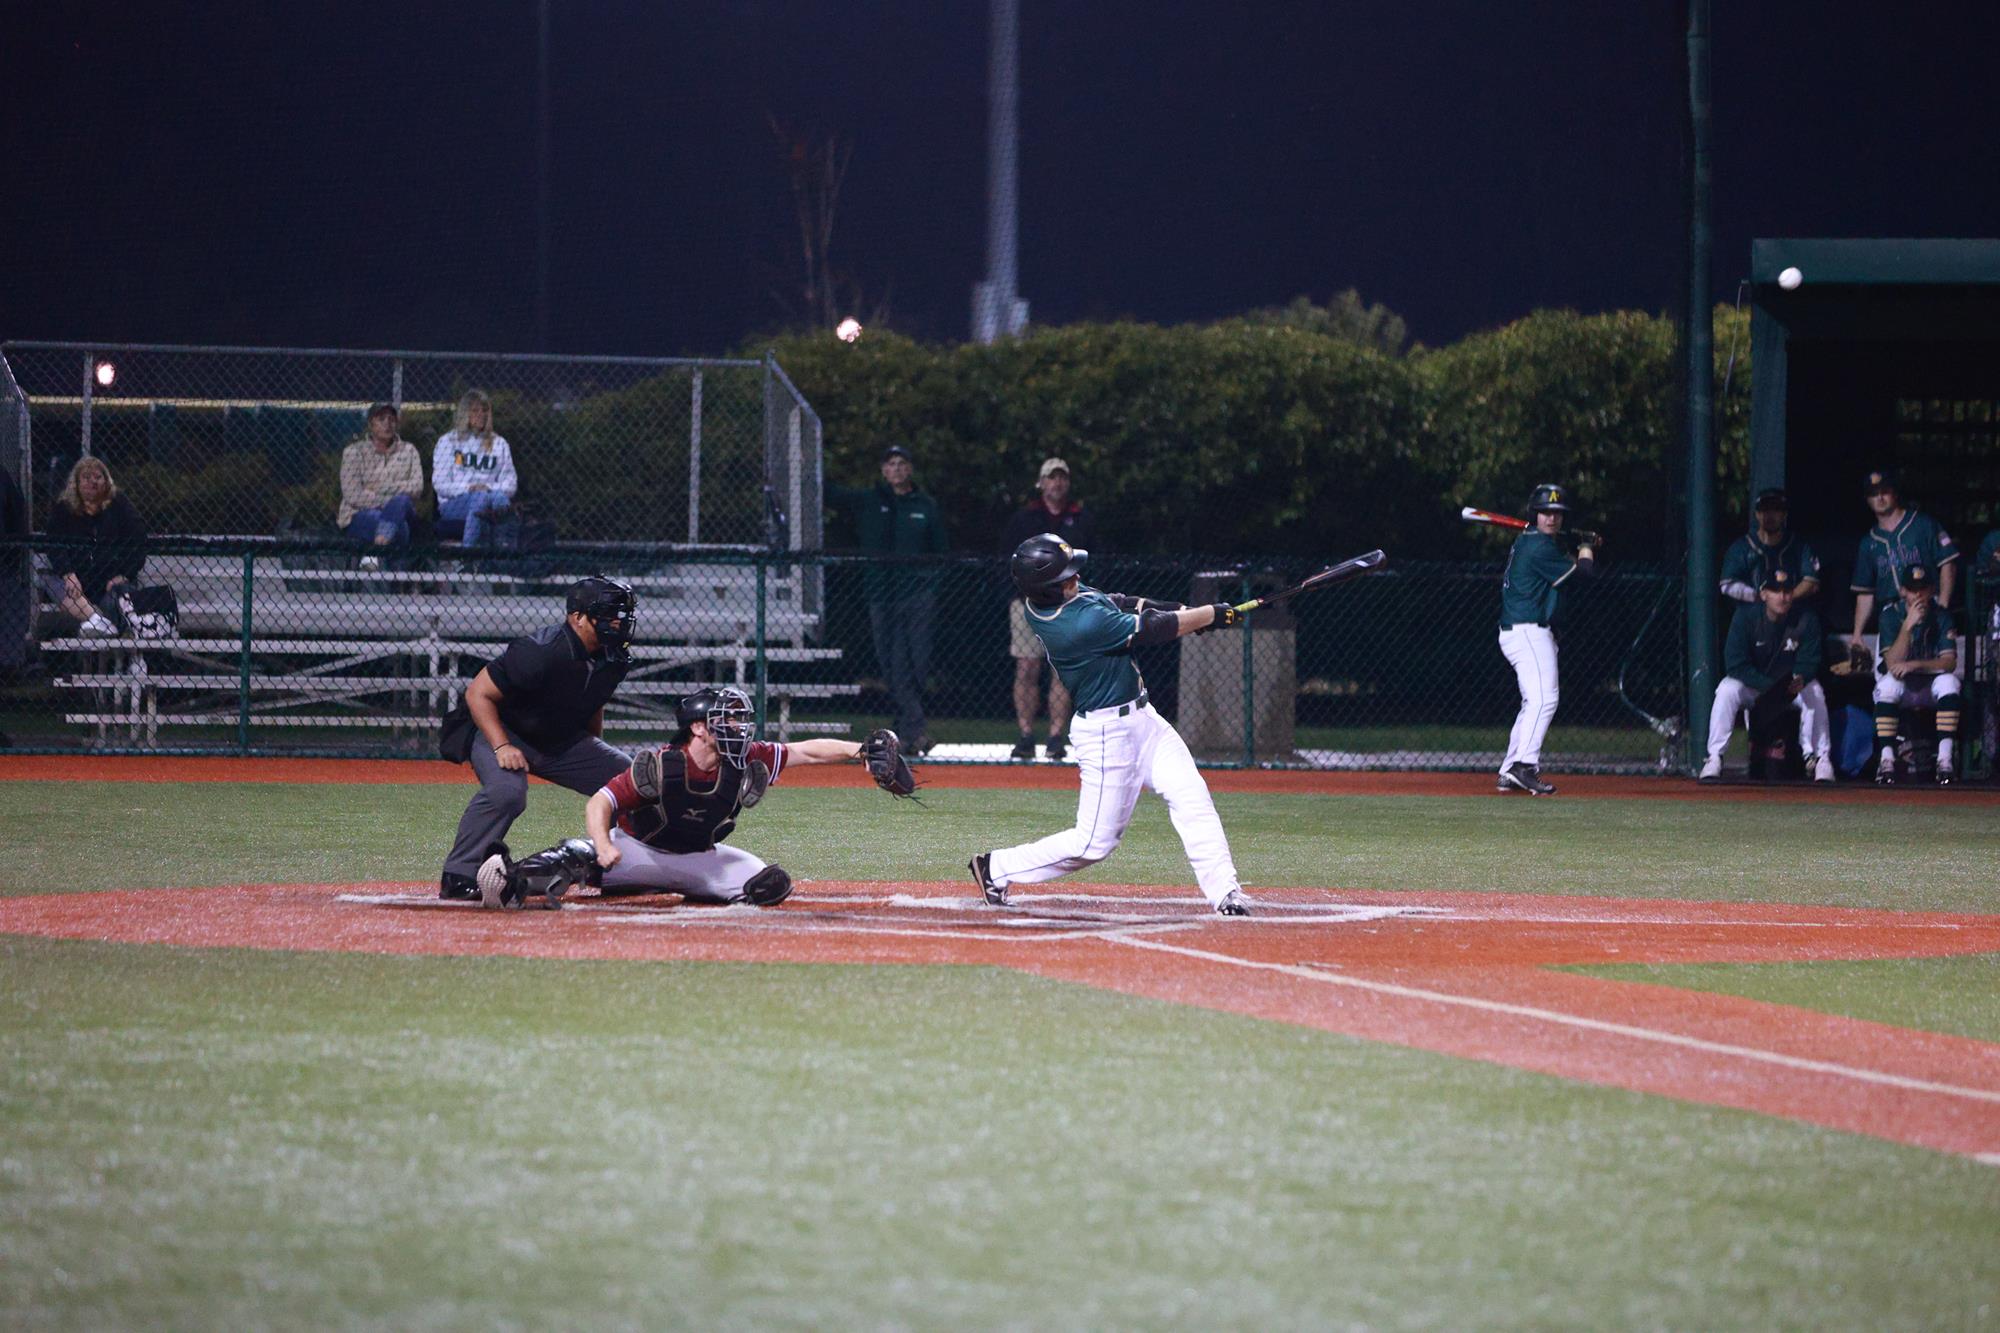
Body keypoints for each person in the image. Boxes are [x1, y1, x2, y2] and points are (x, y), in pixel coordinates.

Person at [969, 533, 1252, 916]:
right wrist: (1210, 615)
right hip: (1107, 734)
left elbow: (1122, 602)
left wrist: (1189, 612)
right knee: (1093, 844)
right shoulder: (1076, 624)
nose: (1075, 578)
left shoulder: (1059, 598)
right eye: (1065, 576)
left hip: (1145, 720)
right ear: (1045, 588)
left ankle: (1225, 892)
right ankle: (995, 868)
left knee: (1191, 796)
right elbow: (1151, 629)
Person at [484, 686, 889, 909]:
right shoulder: (664, 764)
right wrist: (604, 845)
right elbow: (600, 802)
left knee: (770, 885)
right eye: (726, 719)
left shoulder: (745, 757)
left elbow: (805, 751)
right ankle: (508, 880)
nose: (737, 727)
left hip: (699, 857)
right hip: (638, 852)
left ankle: (665, 886)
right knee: (574, 855)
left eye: (738, 719)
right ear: (698, 727)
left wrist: (860, 751)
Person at [436, 576, 638, 899]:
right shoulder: (539, 651)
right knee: (507, 791)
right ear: (578, 618)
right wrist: (502, 746)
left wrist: (593, 750)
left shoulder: (614, 657)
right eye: (608, 614)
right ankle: (458, 875)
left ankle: (624, 867)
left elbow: (593, 701)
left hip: (558, 739)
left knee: (630, 781)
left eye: (621, 615)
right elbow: (477, 694)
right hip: (505, 730)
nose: (618, 622)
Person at [827, 445, 948, 752]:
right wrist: (804, 466)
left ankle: (909, 730)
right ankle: (912, 731)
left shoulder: (925, 505)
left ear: (910, 469)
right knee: (891, 665)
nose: (896, 468)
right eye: (891, 463)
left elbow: (941, 551)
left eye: (901, 463)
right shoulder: (870, 501)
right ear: (883, 470)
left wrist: (929, 584)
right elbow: (831, 494)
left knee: (918, 663)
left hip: (917, 596)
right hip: (881, 595)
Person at [1496, 483, 1598, 796]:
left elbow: (1562, 562)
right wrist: (1586, 546)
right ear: (1534, 514)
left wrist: (1575, 545)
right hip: (1528, 630)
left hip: (1522, 630)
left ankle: (1510, 769)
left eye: (1556, 513)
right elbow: (1583, 574)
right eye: (1544, 512)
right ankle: (1524, 766)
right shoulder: (1538, 547)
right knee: (1544, 699)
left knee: (1533, 701)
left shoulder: (1532, 541)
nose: (1551, 518)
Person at [999, 457, 1101, 761]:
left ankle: (1056, 736)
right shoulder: (1024, 519)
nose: (1057, 483)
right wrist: (1016, 596)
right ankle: (1026, 735)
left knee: (1061, 669)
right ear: (1041, 483)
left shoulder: (1081, 519)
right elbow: (1007, 560)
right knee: (1027, 667)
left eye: (1062, 477)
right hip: (1028, 604)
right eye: (1051, 477)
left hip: (1068, 604)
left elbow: (1094, 561)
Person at [1699, 569, 1832, 782]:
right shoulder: (1745, 617)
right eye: (1775, 591)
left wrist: (1802, 676)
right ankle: (1714, 757)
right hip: (1755, 685)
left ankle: (1820, 758)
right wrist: (1769, 685)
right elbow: (1735, 664)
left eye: (1787, 591)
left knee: (1814, 690)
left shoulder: (1806, 619)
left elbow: (1810, 660)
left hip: (1789, 687)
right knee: (1726, 689)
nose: (1782, 597)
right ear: (1763, 594)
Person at [1868, 564, 1960, 786]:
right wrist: (1907, 626)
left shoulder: (1941, 615)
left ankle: (1945, 760)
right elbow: (1892, 663)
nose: (1918, 595)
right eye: (1912, 589)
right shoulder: (1891, 615)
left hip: (1929, 685)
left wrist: (1915, 664)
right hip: (1903, 687)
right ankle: (1887, 760)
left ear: (1931, 590)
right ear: (1903, 591)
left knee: (1950, 683)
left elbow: (1949, 662)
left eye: (1922, 589)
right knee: (1886, 686)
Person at [1848, 468, 1958, 653]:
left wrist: (1942, 605)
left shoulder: (1923, 524)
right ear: (1867, 500)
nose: (1880, 498)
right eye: (1873, 494)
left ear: (1895, 493)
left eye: (1885, 491)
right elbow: (1865, 593)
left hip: (1926, 607)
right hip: (1891, 617)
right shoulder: (1868, 542)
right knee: (1890, 670)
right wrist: (1857, 633)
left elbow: (1948, 563)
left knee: (1934, 667)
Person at [41, 456, 145, 637]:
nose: (93, 482)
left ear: (106, 480)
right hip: (77, 580)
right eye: (86, 477)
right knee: (51, 580)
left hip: (109, 580)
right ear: (77, 483)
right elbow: (54, 545)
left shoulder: (119, 503)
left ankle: (109, 631)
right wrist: (68, 573)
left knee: (123, 595)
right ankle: (96, 620)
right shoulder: (64, 508)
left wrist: (124, 574)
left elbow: (139, 540)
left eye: (98, 477)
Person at [431, 390, 518, 550]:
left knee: (500, 499)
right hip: (454, 503)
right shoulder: (448, 441)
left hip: (491, 498)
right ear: (465, 413)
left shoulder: (499, 444)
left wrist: (488, 488)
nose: (481, 415)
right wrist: (469, 488)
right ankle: (469, 555)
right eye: (475, 410)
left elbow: (511, 484)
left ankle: (503, 556)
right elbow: (440, 484)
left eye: (485, 410)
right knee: (480, 499)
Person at [338, 403, 424, 554]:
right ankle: (385, 546)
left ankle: (377, 552)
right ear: (371, 424)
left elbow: (417, 487)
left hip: (403, 512)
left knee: (402, 500)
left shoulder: (409, 451)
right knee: (401, 528)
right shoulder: (354, 452)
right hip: (358, 514)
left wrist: (379, 489)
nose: (387, 424)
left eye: (391, 419)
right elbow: (352, 495)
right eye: (382, 419)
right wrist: (390, 501)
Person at [1719, 487, 1820, 604]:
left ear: (1784, 514)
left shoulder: (1800, 546)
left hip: (1792, 608)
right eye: (1765, 510)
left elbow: (1812, 581)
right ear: (1757, 514)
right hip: (1753, 609)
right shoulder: (1741, 547)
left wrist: (1784, 599)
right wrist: (1760, 597)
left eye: (1776, 510)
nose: (1770, 515)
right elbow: (1727, 585)